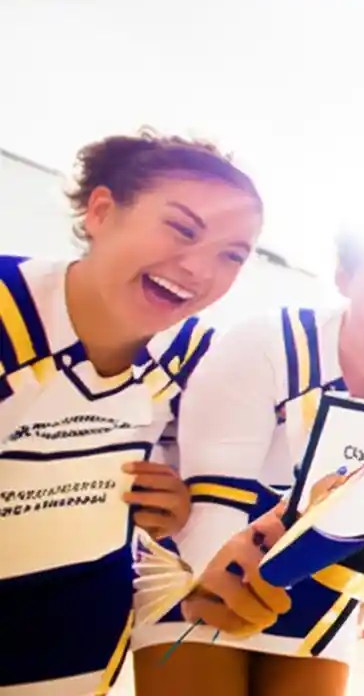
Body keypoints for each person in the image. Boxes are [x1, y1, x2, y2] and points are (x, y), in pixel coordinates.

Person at [130, 214, 364, 696]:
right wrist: (225, 588)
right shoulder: (265, 344)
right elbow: (213, 500)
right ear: (345, 278)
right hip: (196, 566)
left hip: (324, 593)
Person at [0, 130, 264, 695]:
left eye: (231, 255)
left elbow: (194, 508)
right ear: (101, 211)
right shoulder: (9, 306)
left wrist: (178, 514)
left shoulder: (194, 359)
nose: (197, 267)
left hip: (77, 627)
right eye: (181, 228)